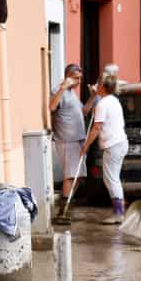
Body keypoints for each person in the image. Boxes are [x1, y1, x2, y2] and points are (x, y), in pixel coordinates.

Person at [80, 75, 128, 224]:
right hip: (120, 142)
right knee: (114, 179)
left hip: (113, 145)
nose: (95, 85)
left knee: (111, 180)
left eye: (98, 83)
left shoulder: (102, 104)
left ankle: (118, 214)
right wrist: (95, 95)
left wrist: (85, 147)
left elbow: (96, 128)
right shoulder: (113, 101)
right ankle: (119, 211)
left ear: (102, 86)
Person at [49, 64, 94, 214]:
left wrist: (93, 96)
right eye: (76, 78)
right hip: (67, 139)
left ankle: (68, 205)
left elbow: (84, 111)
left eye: (80, 78)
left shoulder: (72, 93)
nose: (79, 81)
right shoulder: (59, 90)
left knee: (77, 176)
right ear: (67, 77)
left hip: (78, 139)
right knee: (70, 176)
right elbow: (52, 107)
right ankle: (63, 211)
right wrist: (62, 87)